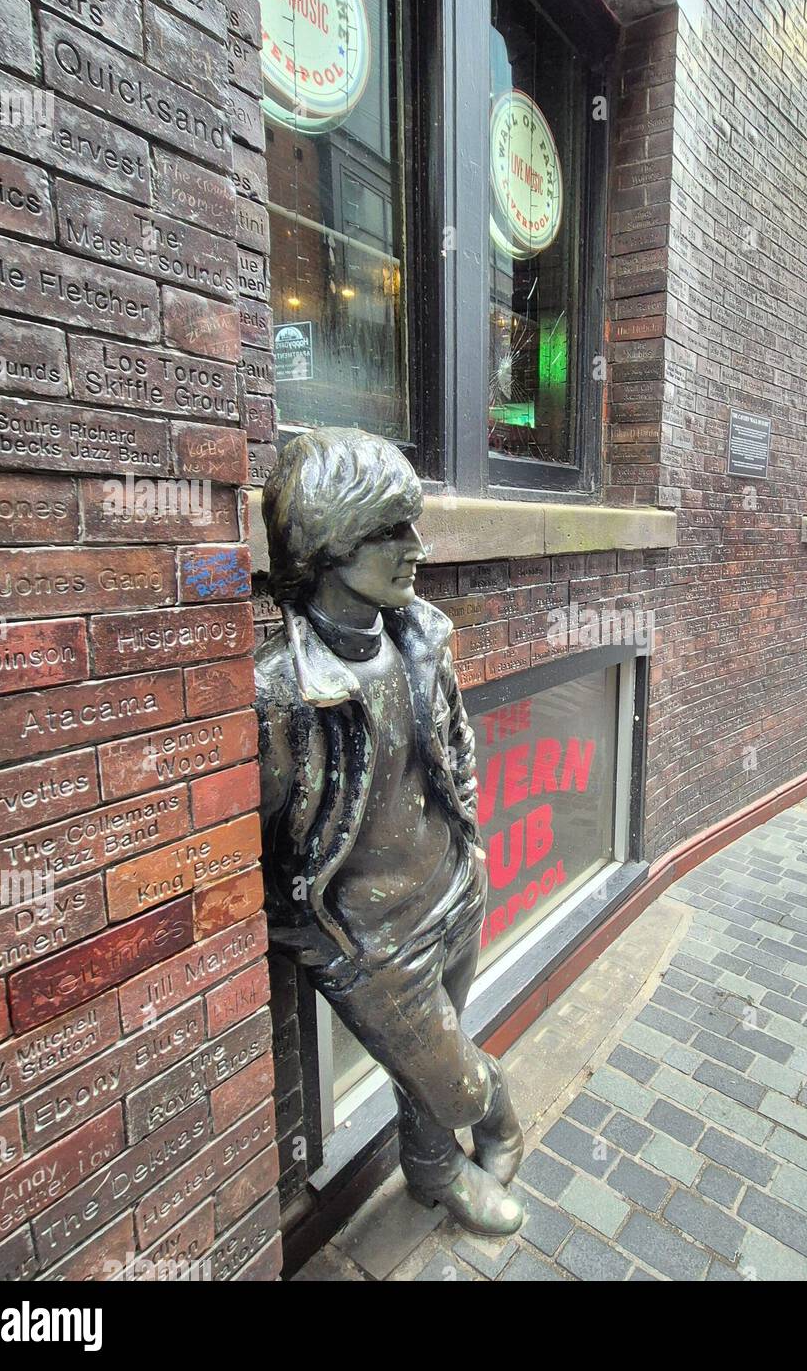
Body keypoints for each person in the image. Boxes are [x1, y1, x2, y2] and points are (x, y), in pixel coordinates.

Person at [256, 428, 525, 1236]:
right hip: (370, 941)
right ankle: (498, 1113)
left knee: (426, 1064)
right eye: (391, 530)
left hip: (452, 889)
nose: (417, 548)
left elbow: (455, 744)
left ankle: (433, 1167)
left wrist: (470, 844)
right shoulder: (281, 689)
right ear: (330, 544)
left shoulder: (418, 637)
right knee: (453, 1077)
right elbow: (256, 847)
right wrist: (319, 936)